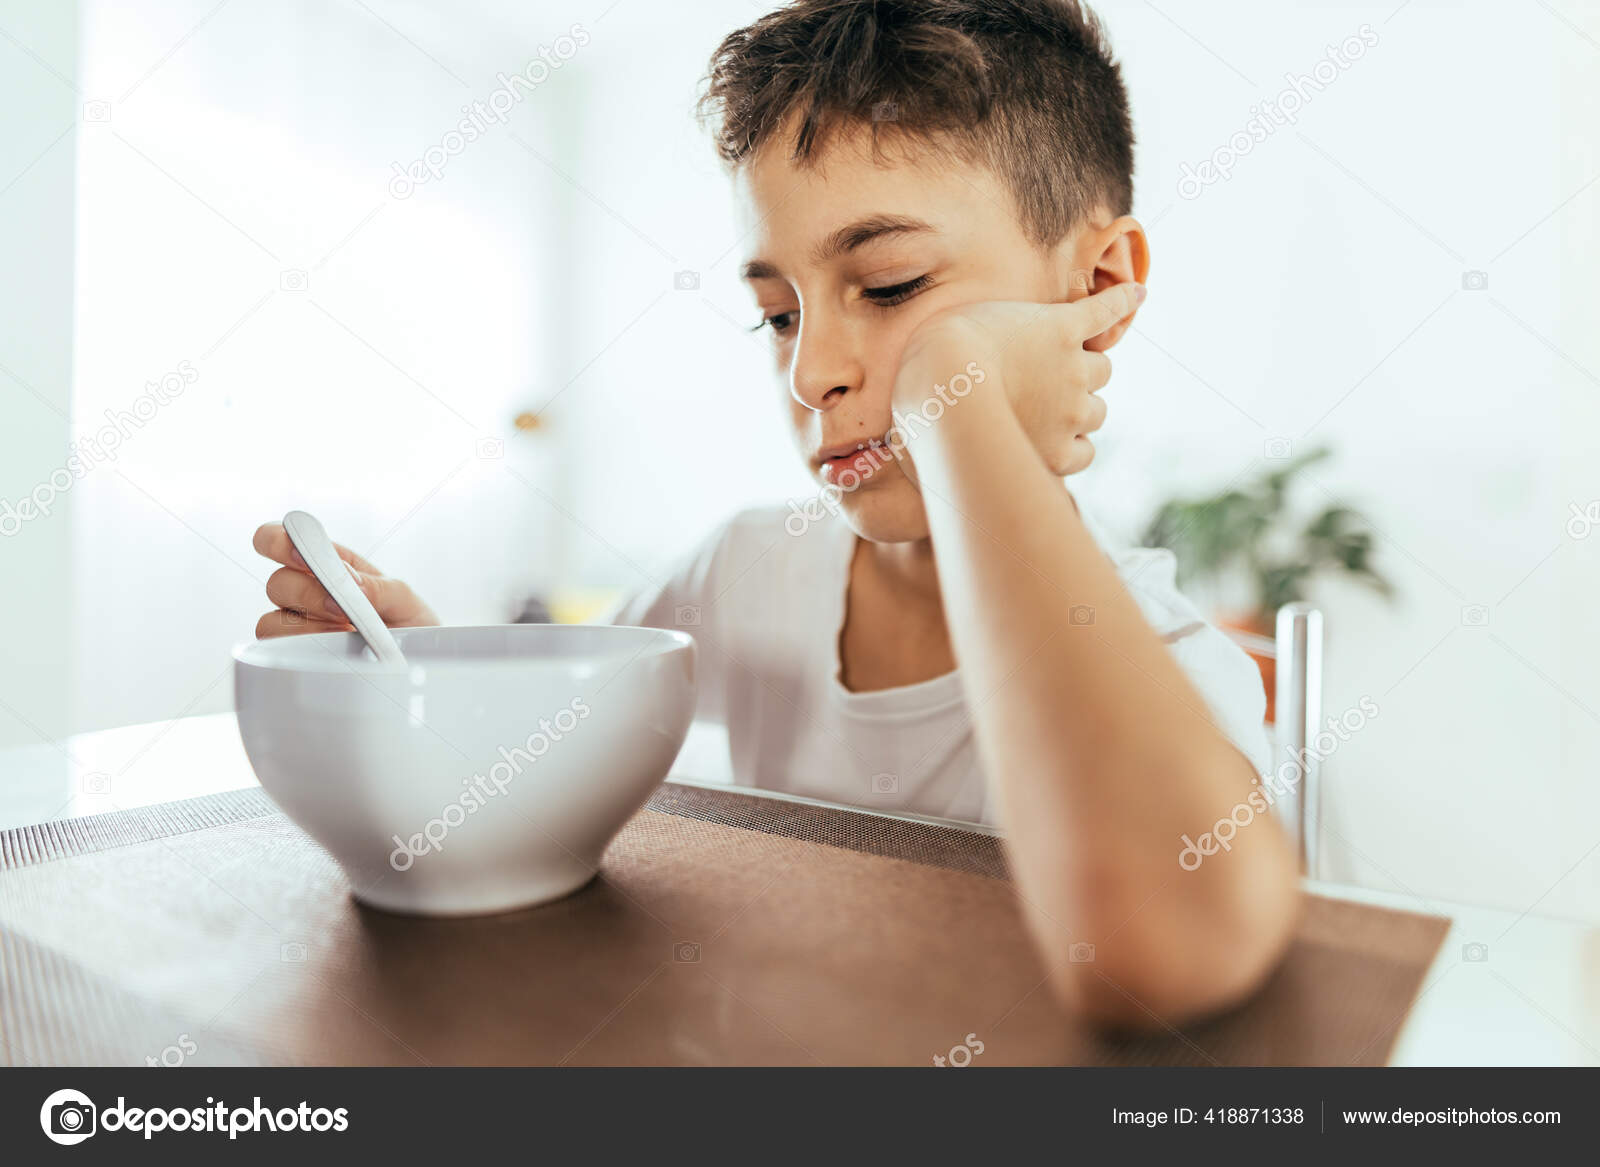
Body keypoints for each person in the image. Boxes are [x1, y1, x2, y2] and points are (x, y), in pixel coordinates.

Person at [251, 0, 1299, 1028]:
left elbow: (1165, 942)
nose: (810, 372)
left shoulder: (1167, 664)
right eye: (776, 315)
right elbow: (539, 754)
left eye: (890, 287)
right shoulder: (745, 569)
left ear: (1098, 283)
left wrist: (960, 398)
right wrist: (421, 673)